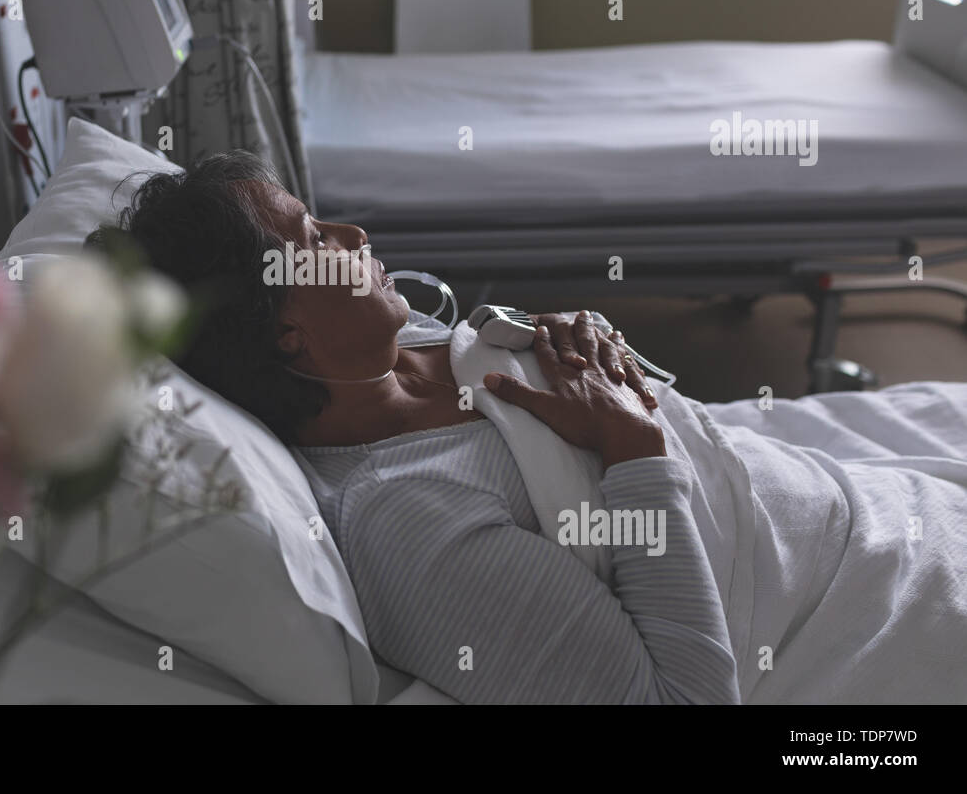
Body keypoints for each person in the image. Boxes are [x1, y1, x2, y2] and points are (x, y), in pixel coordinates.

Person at [86, 151, 967, 704]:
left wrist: (583, 347)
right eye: (316, 236)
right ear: (288, 332)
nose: (354, 231)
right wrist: (635, 451)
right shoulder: (403, 517)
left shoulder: (412, 350)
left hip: (880, 510)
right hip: (872, 617)